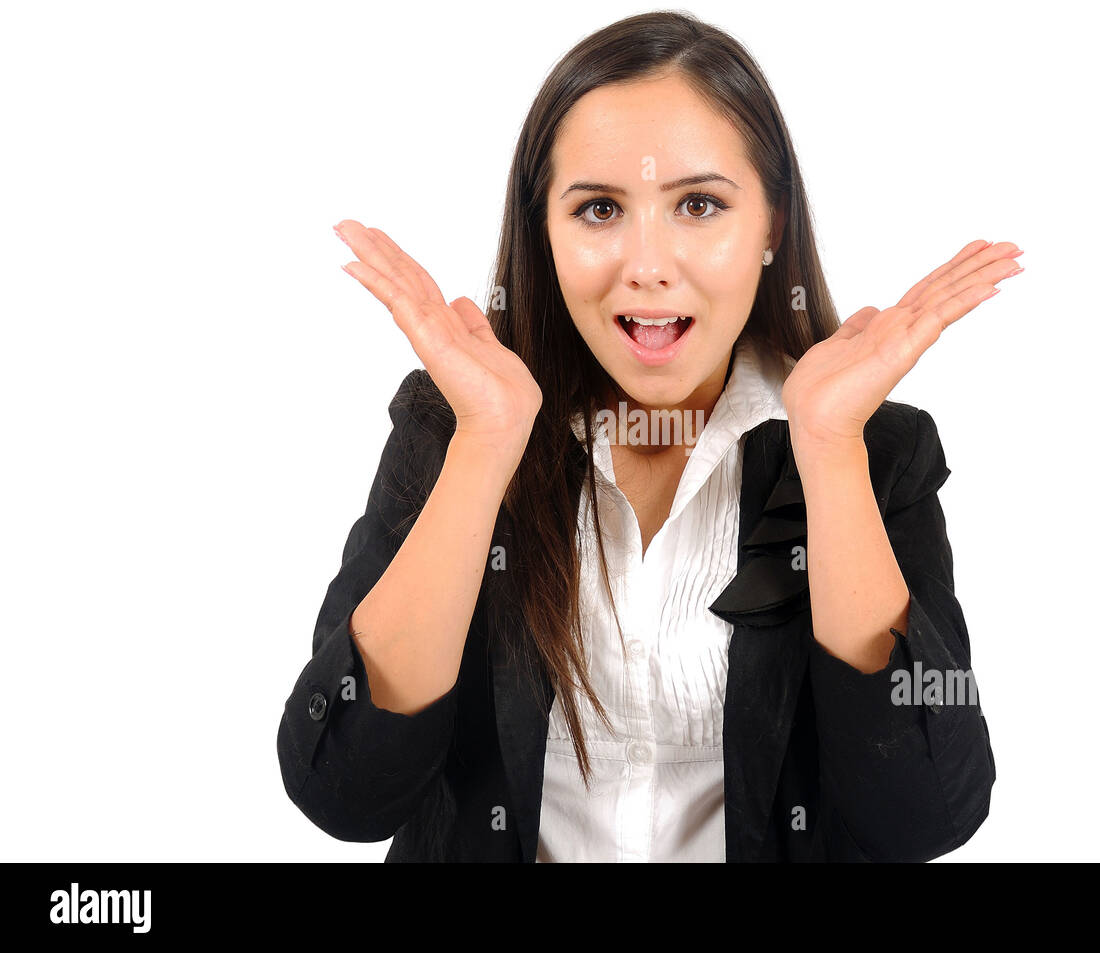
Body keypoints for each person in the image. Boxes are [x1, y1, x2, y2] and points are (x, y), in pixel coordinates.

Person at [277, 10, 1013, 862]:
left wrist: (830, 448)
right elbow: (342, 791)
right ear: (544, 233)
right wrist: (485, 445)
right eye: (597, 209)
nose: (649, 264)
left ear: (772, 224)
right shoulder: (454, 429)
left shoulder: (876, 451)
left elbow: (926, 814)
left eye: (699, 204)